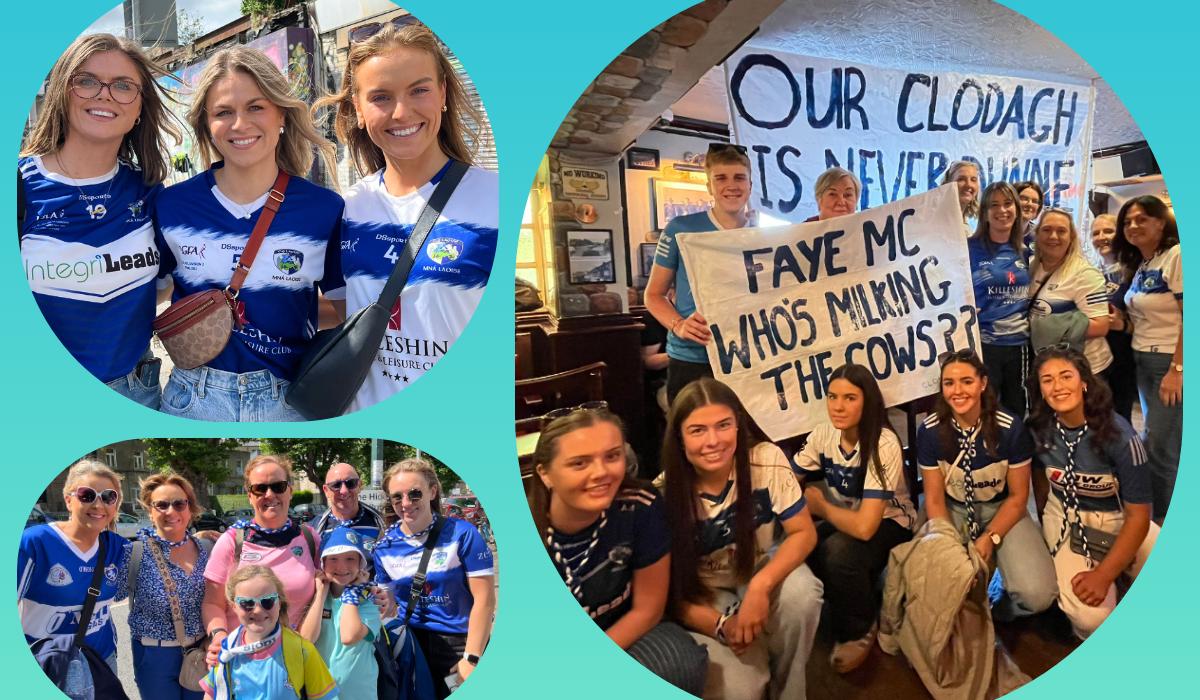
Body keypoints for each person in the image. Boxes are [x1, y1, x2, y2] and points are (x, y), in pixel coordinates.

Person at [314, 22, 498, 412]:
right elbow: (342, 310)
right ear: (358, 111)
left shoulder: (495, 202)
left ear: (443, 94)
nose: (402, 112)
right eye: (381, 97)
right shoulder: (345, 209)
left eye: (419, 90)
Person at [155, 46, 344, 422]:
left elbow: (342, 311)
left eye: (256, 107)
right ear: (206, 125)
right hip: (192, 397)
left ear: (282, 116)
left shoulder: (324, 209)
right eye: (223, 112)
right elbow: (155, 293)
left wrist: (284, 307)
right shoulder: (171, 205)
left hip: (289, 398)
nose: (240, 124)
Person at [18, 33, 180, 408]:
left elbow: (161, 286)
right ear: (62, 92)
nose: (104, 94)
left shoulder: (151, 193)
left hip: (137, 393)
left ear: (140, 106)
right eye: (87, 81)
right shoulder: (18, 188)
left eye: (123, 85)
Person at [659, 378, 823, 700]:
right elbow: (667, 594)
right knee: (741, 689)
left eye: (724, 425)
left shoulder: (766, 458)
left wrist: (761, 586)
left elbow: (803, 531)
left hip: (757, 565)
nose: (713, 441)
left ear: (739, 424)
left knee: (802, 596)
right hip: (704, 591)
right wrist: (721, 624)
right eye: (697, 430)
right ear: (678, 437)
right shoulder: (663, 494)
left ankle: (790, 692)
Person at [529, 405, 708, 694]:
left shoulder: (641, 505)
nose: (601, 472)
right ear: (545, 474)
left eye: (612, 456)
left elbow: (647, 609)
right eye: (579, 463)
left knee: (681, 664)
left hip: (625, 627)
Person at [792, 364, 916, 673]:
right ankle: (857, 591)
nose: (838, 406)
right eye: (833, 397)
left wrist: (819, 507)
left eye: (850, 398)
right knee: (801, 546)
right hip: (846, 517)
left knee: (838, 555)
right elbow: (789, 479)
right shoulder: (823, 433)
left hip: (892, 523)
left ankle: (860, 628)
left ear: (867, 402)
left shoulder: (883, 442)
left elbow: (865, 527)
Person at [1028, 347, 1157, 639]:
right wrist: (1049, 532)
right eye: (1047, 380)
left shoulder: (1120, 435)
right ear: (1040, 390)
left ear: (1084, 381)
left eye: (1066, 376)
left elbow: (1139, 516)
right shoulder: (1037, 430)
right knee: (1090, 620)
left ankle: (1118, 573)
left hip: (1120, 519)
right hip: (1068, 521)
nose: (1058, 386)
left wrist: (1104, 575)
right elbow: (1039, 479)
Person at [917, 350, 1056, 619]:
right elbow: (933, 499)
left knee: (1038, 594)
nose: (957, 391)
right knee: (937, 579)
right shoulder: (931, 430)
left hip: (1000, 507)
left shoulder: (1010, 427)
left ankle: (1002, 609)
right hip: (951, 508)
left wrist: (990, 537)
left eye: (967, 382)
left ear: (982, 383)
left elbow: (1018, 497)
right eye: (949, 383)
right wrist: (950, 547)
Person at [373, 458, 495, 698]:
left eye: (415, 494)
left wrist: (471, 657)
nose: (405, 503)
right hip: (413, 645)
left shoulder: (463, 534)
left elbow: (485, 599)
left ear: (432, 491)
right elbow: (387, 608)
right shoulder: (384, 546)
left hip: (461, 643)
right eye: (397, 497)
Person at [646, 143, 756, 403]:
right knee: (691, 437)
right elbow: (653, 295)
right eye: (721, 178)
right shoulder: (681, 228)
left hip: (749, 359)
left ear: (750, 185)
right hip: (692, 359)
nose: (731, 185)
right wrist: (678, 325)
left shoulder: (762, 234)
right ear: (709, 186)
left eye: (739, 177)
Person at [203, 455, 321, 666]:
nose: (270, 494)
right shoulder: (233, 541)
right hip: (242, 660)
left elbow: (334, 581)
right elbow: (212, 603)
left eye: (278, 486)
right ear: (250, 496)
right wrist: (219, 635)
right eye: (260, 489)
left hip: (296, 659)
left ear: (290, 491)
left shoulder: (310, 538)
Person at [19, 460, 128, 682]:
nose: (99, 505)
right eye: (87, 495)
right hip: (48, 663)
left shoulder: (116, 546)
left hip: (102, 660)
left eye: (108, 497)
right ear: (69, 500)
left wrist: (203, 539)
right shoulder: (36, 543)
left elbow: (158, 546)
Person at [1112, 195, 1182, 520]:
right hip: (1143, 358)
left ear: (1161, 221)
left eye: (1141, 219)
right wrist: (1121, 323)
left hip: (1170, 361)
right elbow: (1142, 317)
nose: (1133, 226)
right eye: (1127, 221)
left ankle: (1161, 521)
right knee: (1156, 437)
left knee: (1160, 446)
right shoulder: (1143, 264)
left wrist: (1178, 369)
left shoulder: (1177, 256)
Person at [119, 473, 211, 700]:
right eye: (161, 505)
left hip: (200, 652)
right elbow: (107, 595)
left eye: (179, 503)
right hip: (153, 655)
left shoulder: (208, 549)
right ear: (150, 511)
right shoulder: (134, 553)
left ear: (190, 508)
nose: (171, 512)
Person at [202, 565, 337, 700]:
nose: (258, 610)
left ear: (279, 603)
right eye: (246, 603)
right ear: (234, 607)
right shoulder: (227, 651)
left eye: (267, 602)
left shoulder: (302, 651)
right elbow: (210, 694)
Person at [969, 181, 1031, 416]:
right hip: (983, 345)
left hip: (1018, 345)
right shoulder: (968, 248)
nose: (1002, 210)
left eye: (1007, 204)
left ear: (1016, 209)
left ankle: (1019, 453)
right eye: (994, 205)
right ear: (984, 213)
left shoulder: (1026, 250)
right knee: (984, 407)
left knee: (1018, 409)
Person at [1028, 209, 1111, 375]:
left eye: (1061, 231)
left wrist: (1041, 327)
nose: (1053, 236)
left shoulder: (1085, 273)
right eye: (1046, 230)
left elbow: (1101, 326)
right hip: (1048, 364)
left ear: (1071, 237)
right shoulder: (1031, 267)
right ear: (1036, 235)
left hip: (1085, 367)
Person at [301, 527, 381, 700]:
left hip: (359, 694)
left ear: (361, 563)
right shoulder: (318, 597)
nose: (342, 566)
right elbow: (306, 640)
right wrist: (321, 594)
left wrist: (352, 594)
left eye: (350, 559)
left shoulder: (369, 600)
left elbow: (349, 636)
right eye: (333, 559)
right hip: (322, 693)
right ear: (323, 563)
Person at [1091, 213, 1137, 420]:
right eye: (1096, 233)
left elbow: (1150, 321)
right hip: (1095, 358)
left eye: (1108, 231)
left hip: (1124, 358)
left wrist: (1122, 324)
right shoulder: (1091, 273)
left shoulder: (1134, 271)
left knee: (1120, 418)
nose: (1101, 237)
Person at [312, 462, 387, 549]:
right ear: (326, 491)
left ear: (359, 486)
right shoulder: (313, 529)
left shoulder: (381, 524)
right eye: (336, 485)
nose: (344, 491)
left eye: (351, 483)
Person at [941, 160, 980, 235]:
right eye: (961, 179)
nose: (969, 185)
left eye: (973, 180)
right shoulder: (936, 221)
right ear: (947, 184)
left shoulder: (965, 225)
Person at [1016, 180, 1045, 248]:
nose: (1029, 204)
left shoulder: (1040, 235)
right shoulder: (993, 232)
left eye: (1035, 201)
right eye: (1024, 199)